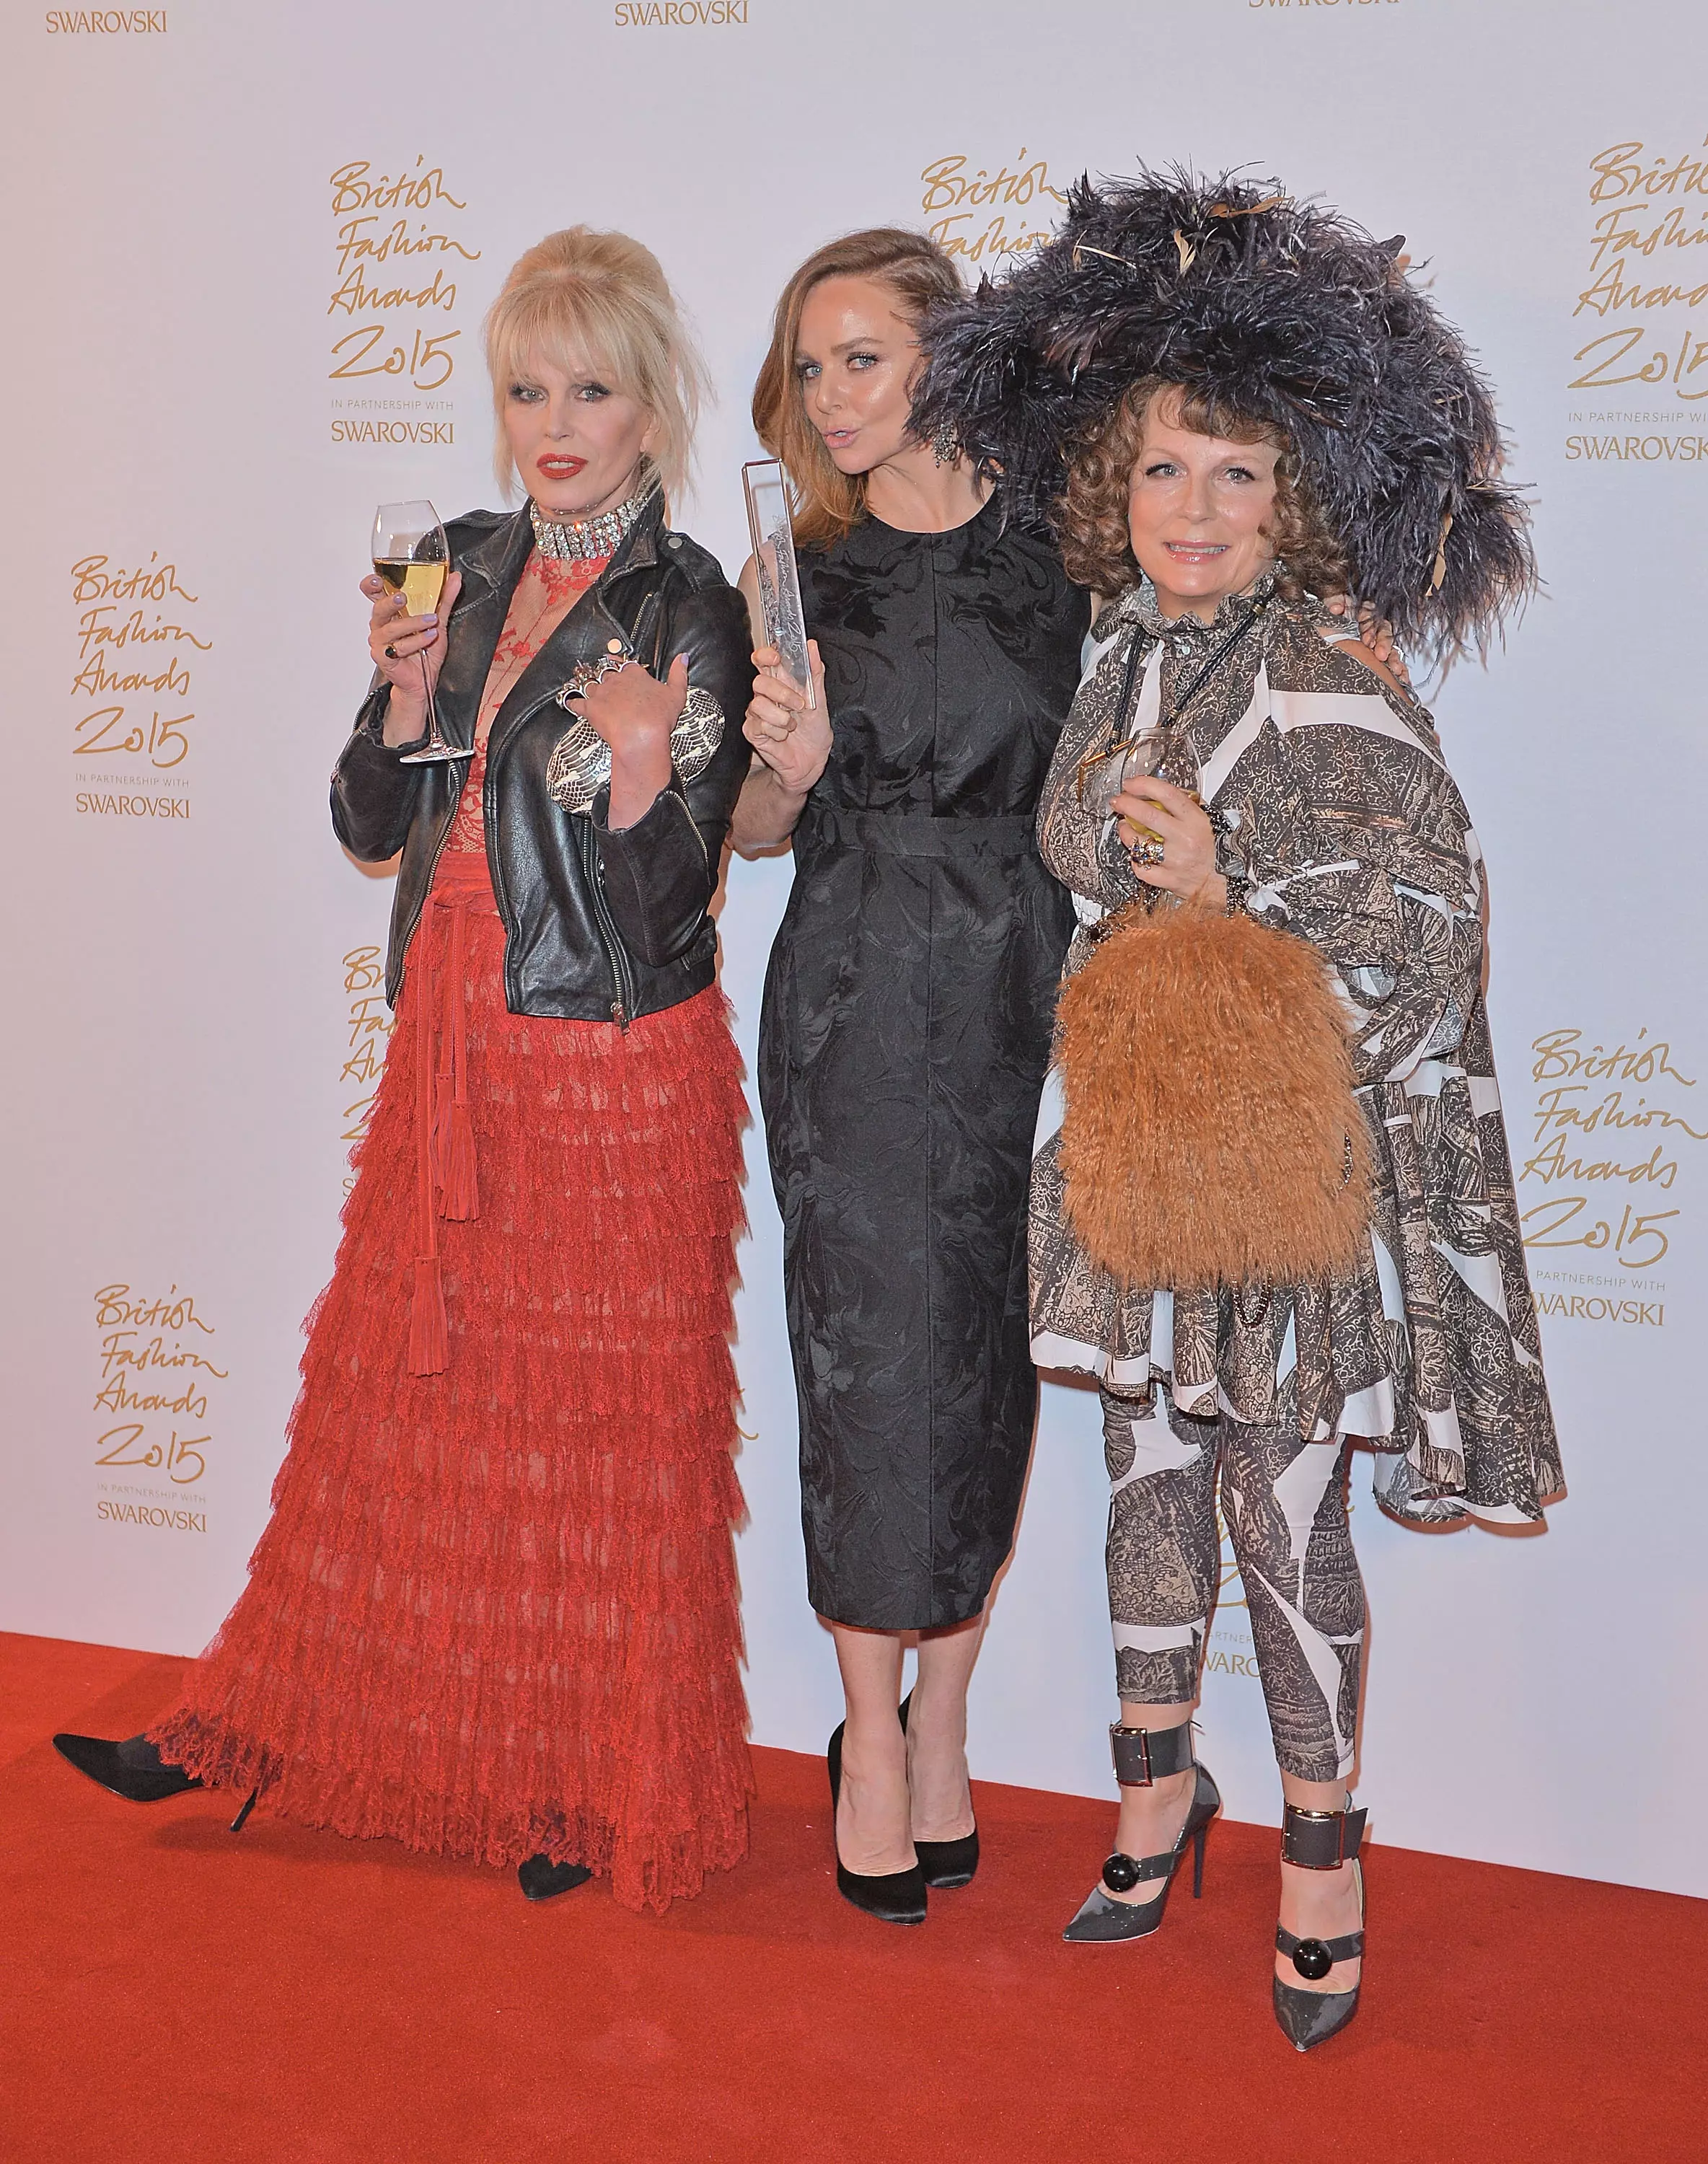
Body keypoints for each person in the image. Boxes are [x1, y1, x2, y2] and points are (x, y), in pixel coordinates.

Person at [915, 172, 1562, 2044]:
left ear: (1294, 511)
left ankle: (1324, 1853)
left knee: (1287, 1531)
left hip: (1283, 1194)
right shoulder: (1116, 652)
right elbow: (1067, 854)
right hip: (1133, 1154)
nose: (1192, 513)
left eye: (1236, 481)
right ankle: (1148, 1796)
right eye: (1165, 473)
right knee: (1142, 1487)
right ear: (1114, 482)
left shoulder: (1333, 685)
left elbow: (1431, 946)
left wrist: (1231, 893)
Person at [53, 228, 757, 1915]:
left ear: (652, 406)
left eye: (590, 387)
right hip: (447, 1051)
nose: (556, 420)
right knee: (394, 1413)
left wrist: (656, 772)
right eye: (528, 387)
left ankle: (575, 1789)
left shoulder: (688, 604)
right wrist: (393, 708)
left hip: (604, 1066)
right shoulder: (450, 561)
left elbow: (670, 907)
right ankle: (252, 1720)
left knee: (589, 1440)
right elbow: (371, 825)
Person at [728, 229, 1091, 1924]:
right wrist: (784, 773)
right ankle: (865, 1734)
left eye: (858, 356)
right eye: (809, 367)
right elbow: (744, 833)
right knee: (866, 1356)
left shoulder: (1065, 561)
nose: (829, 396)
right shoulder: (793, 574)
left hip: (1025, 995)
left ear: (948, 360)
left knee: (983, 1354)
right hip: (853, 992)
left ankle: (945, 1709)